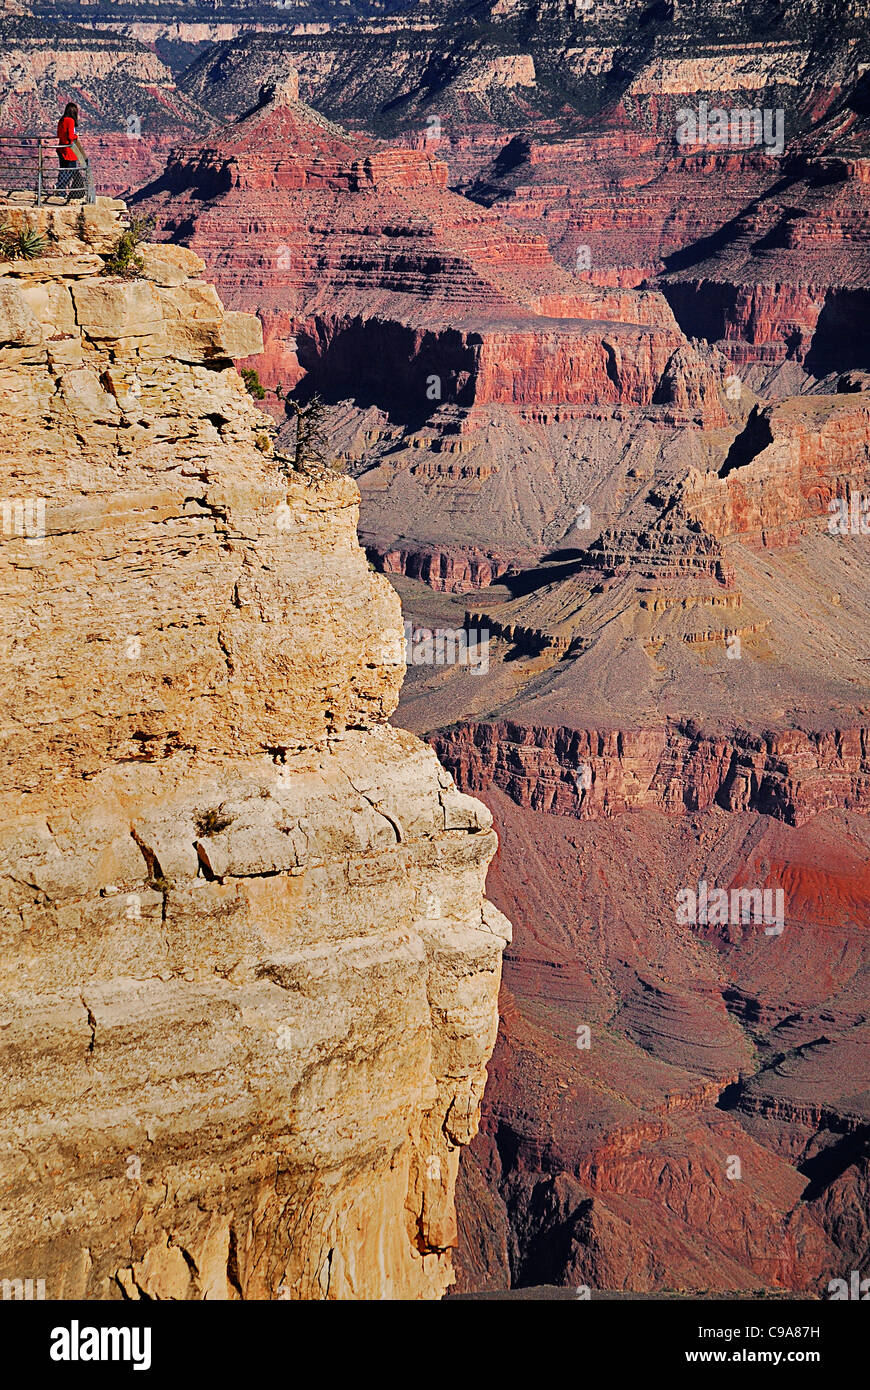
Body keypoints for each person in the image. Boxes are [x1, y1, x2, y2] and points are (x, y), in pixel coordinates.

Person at [56, 102, 86, 200]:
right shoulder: (70, 121)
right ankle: (63, 187)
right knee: (72, 171)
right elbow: (70, 136)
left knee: (63, 170)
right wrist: (76, 136)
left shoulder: (61, 120)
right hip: (69, 150)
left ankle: (61, 192)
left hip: (61, 148)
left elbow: (59, 134)